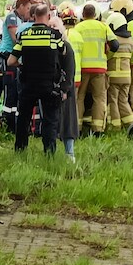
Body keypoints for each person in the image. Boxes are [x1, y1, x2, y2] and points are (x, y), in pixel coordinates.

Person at [7, 3, 67, 155]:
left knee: (24, 119)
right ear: (48, 16)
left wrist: (23, 65)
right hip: (49, 85)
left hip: (28, 84)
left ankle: (20, 150)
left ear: (33, 16)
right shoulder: (54, 36)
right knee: (50, 120)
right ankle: (49, 153)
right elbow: (63, 52)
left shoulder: (24, 35)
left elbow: (10, 61)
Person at [74, 3, 119, 135]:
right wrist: (107, 56)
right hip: (99, 69)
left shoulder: (78, 28)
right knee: (99, 98)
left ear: (83, 15)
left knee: (80, 98)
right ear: (95, 15)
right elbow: (115, 45)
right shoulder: (103, 27)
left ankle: (78, 128)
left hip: (83, 68)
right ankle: (97, 129)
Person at [0, 0, 34, 132]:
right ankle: (7, 120)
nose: (29, 11)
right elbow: (14, 38)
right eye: (28, 8)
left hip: (15, 57)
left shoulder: (21, 20)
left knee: (17, 90)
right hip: (7, 56)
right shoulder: (12, 17)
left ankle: (15, 122)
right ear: (21, 6)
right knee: (10, 89)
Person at [50, 12, 80, 163]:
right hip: (51, 89)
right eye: (50, 26)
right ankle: (51, 154)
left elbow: (70, 70)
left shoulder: (66, 47)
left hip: (65, 91)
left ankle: (70, 154)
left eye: (55, 26)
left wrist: (65, 89)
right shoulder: (49, 47)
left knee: (67, 122)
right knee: (52, 123)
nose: (52, 29)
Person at [105, 12, 133, 132]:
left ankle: (115, 126)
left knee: (113, 100)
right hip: (127, 77)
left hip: (114, 76)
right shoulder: (130, 41)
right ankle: (131, 124)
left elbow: (108, 55)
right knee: (123, 101)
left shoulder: (115, 40)